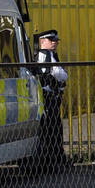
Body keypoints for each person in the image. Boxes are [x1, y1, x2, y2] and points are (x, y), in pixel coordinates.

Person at [34, 29, 70, 172]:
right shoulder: (45, 55)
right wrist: (65, 74)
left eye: (55, 40)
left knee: (54, 130)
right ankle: (54, 162)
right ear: (42, 41)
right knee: (53, 131)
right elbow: (58, 73)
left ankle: (56, 161)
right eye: (51, 40)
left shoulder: (49, 55)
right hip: (49, 98)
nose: (55, 42)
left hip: (51, 98)